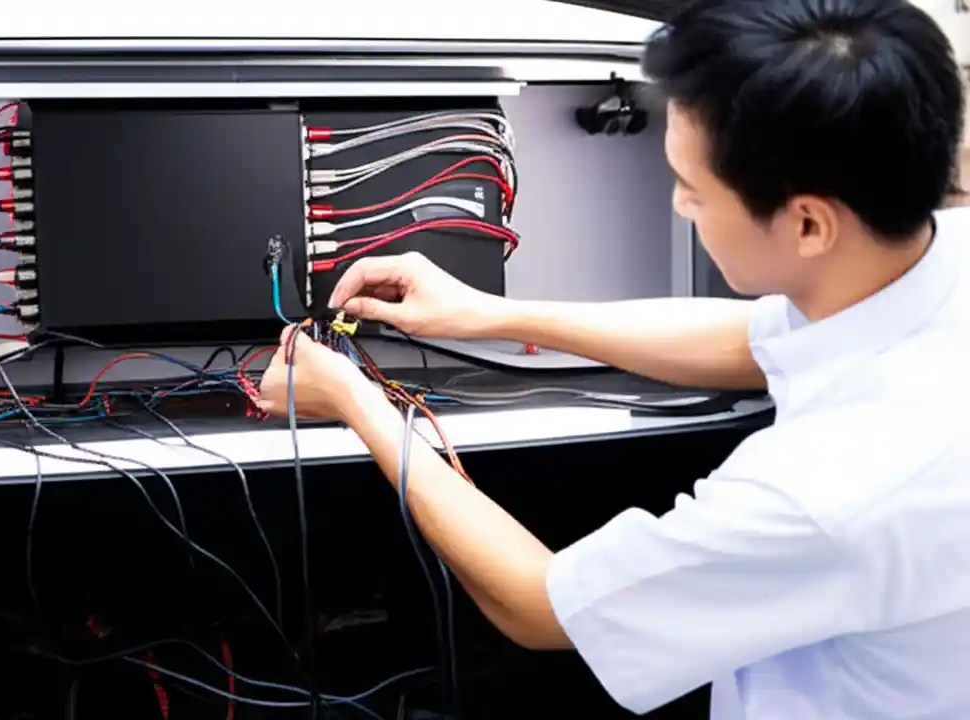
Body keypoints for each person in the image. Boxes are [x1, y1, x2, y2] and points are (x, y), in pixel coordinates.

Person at [257, 0, 970, 717]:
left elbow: (539, 606)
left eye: (692, 189)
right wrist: (488, 315)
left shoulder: (832, 490)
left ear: (809, 223)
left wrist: (356, 402)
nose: (681, 208)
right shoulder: (931, 255)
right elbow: (752, 338)